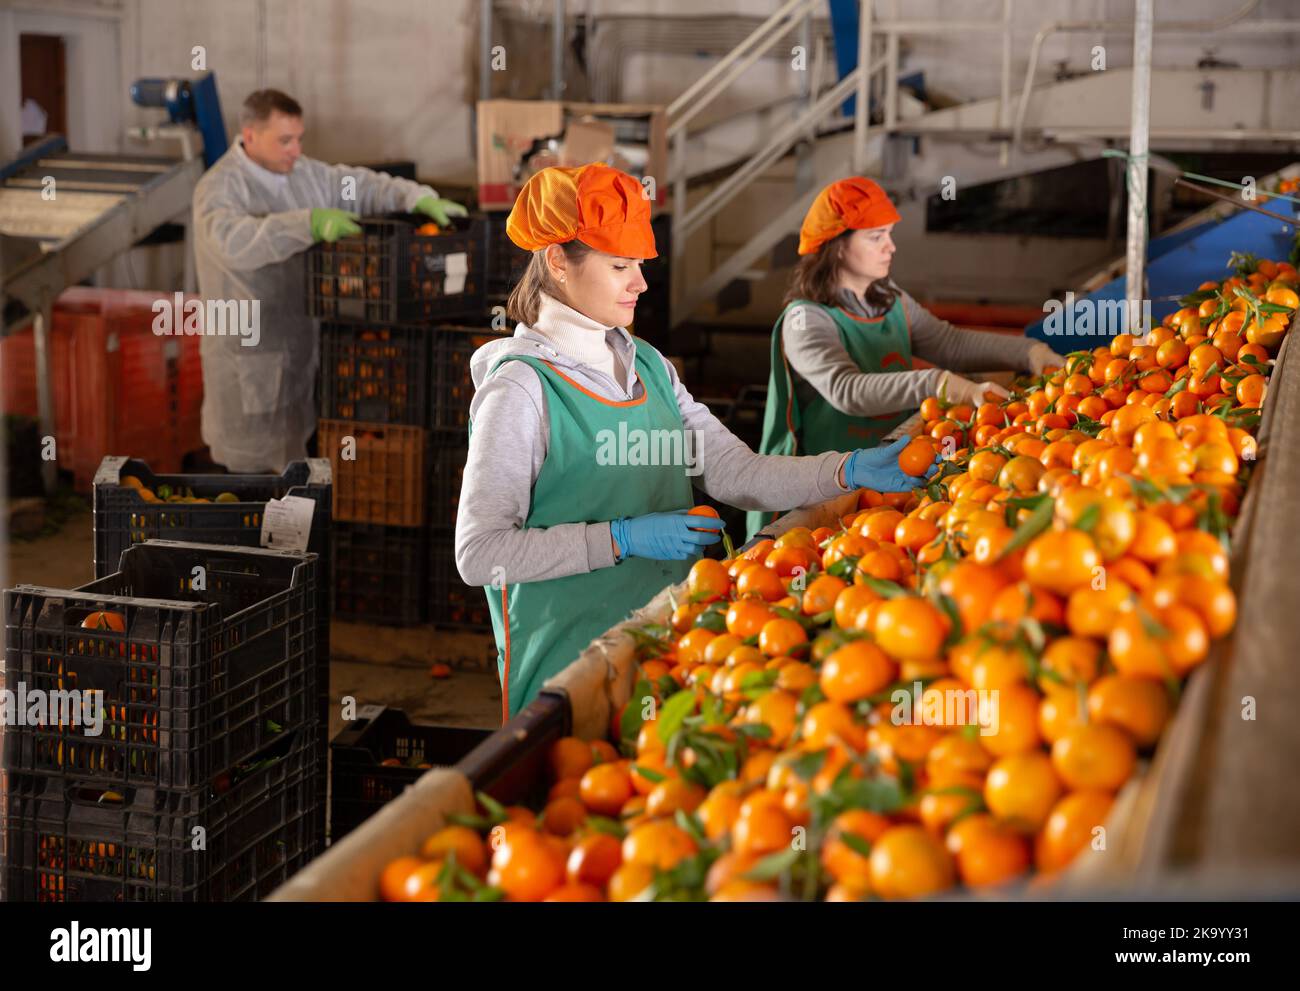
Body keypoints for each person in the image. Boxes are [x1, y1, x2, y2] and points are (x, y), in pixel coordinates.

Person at [455, 164, 938, 722]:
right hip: (570, 676)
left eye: (639, 266)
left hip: (665, 649)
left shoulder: (650, 368)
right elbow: (480, 554)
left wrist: (846, 470)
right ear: (559, 262)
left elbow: (738, 472)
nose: (640, 283)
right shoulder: (521, 389)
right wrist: (619, 539)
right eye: (620, 267)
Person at [750, 176, 1061, 537]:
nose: (890, 247)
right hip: (820, 493)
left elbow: (948, 344)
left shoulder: (889, 298)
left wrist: (1028, 352)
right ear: (836, 246)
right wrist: (936, 383)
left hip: (888, 478)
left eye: (889, 234)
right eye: (876, 236)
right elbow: (846, 391)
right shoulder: (805, 320)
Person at [191, 88, 466, 473]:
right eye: (284, 140)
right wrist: (309, 222)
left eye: (299, 139)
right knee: (247, 475)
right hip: (249, 348)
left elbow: (360, 186)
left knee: (296, 470)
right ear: (250, 135)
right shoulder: (219, 189)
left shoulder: (304, 175)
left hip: (300, 340)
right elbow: (235, 243)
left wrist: (414, 197)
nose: (295, 150)